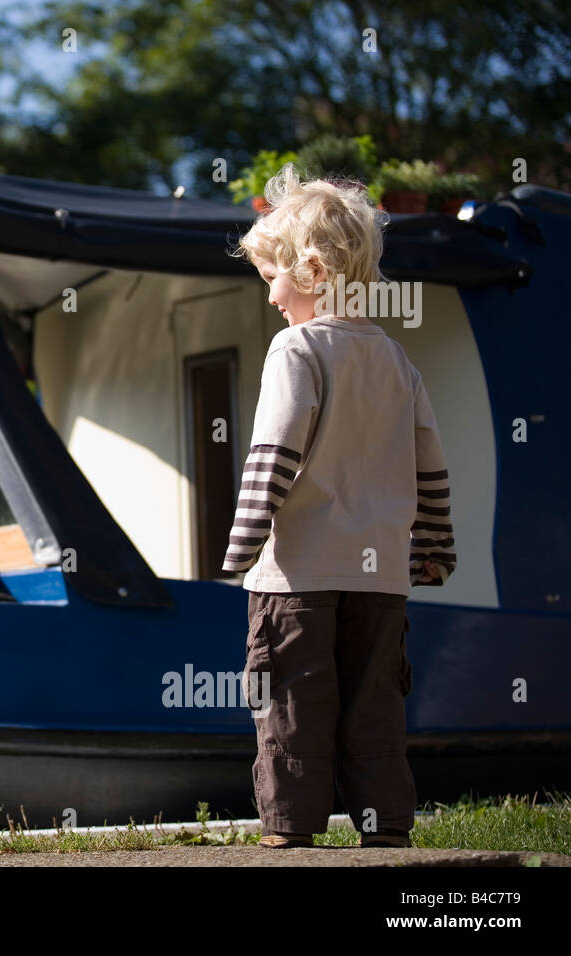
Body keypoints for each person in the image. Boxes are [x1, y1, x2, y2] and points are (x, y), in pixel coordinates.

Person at [221, 164, 457, 849]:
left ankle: (291, 832)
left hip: (297, 577)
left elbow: (275, 453)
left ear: (315, 270)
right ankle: (386, 833)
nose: (270, 298)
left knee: (292, 702)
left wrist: (243, 544)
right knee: (375, 705)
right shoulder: (394, 359)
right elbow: (430, 461)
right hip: (380, 578)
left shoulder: (295, 349)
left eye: (273, 278)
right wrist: (435, 546)